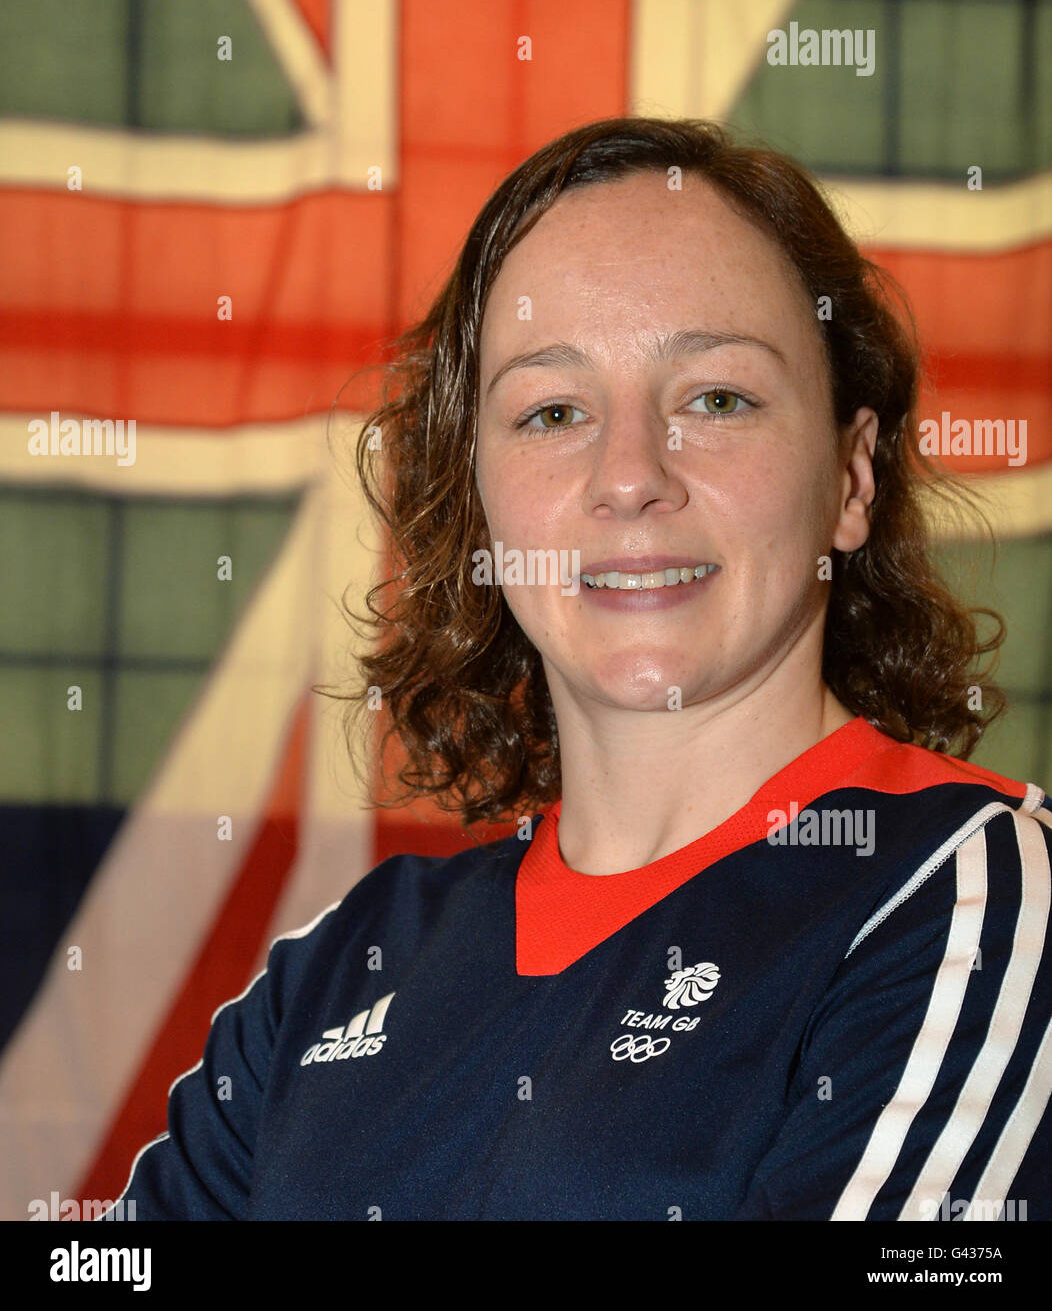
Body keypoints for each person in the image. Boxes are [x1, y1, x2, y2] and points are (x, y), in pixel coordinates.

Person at [106, 117, 1051, 1221]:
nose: (628, 476)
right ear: (478, 508)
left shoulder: (969, 900)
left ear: (847, 480)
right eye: (552, 412)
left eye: (716, 398)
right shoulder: (334, 973)